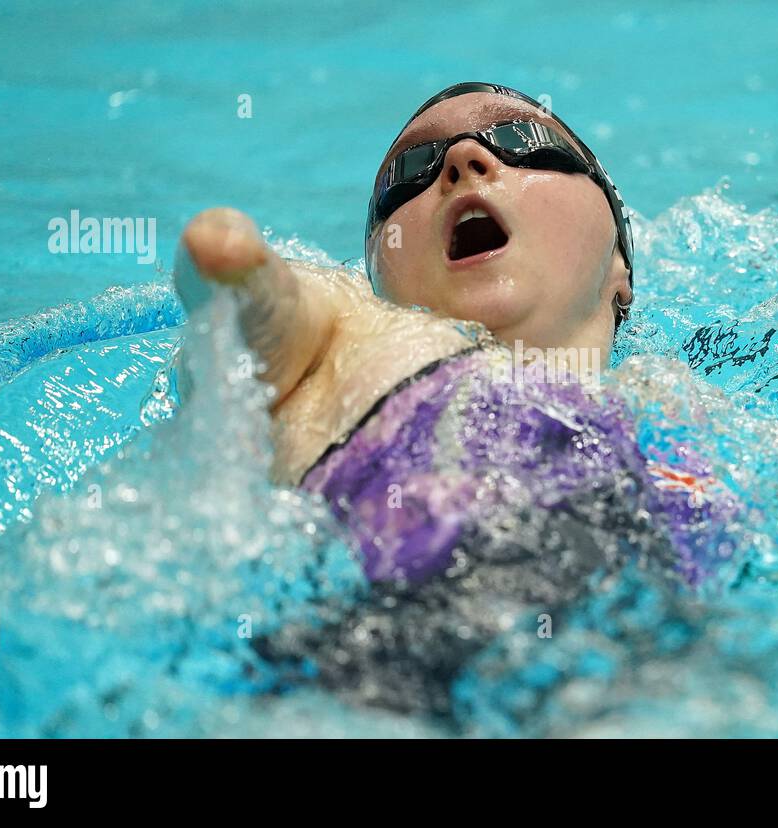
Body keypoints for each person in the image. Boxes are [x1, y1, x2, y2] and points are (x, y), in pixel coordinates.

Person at [173, 82, 737, 715]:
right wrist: (244, 293)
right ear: (377, 277)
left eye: (526, 142)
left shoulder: (677, 415)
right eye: (408, 173)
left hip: (649, 654)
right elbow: (255, 314)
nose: (464, 158)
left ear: (619, 268)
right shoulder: (354, 332)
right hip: (370, 654)